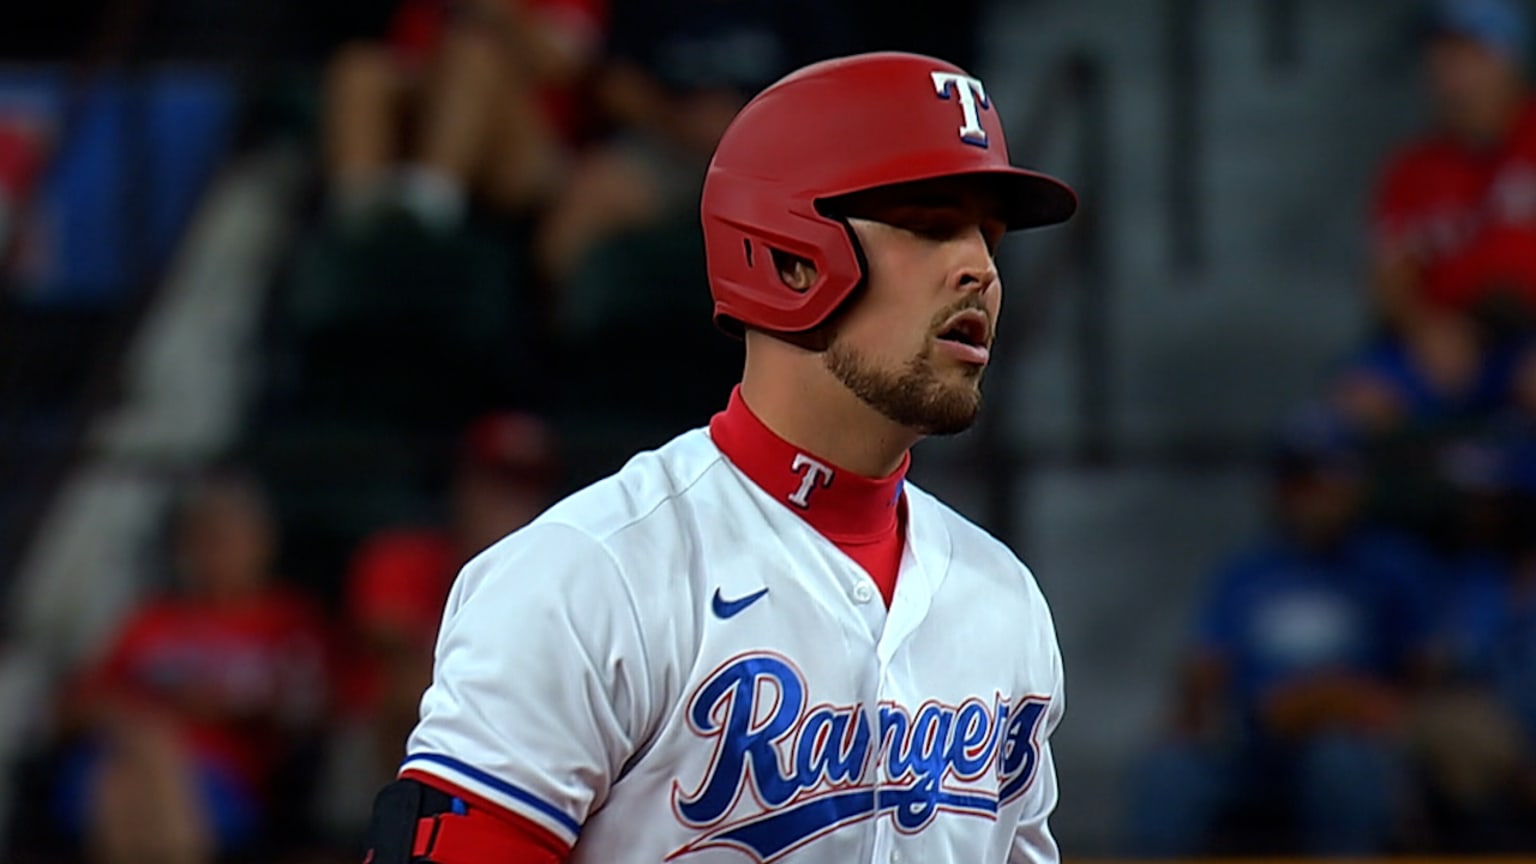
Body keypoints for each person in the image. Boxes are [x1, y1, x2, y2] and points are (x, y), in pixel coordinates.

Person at [361, 51, 1078, 863]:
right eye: (929, 224)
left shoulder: (1005, 603)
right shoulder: (591, 575)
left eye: (989, 237)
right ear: (790, 255)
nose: (980, 270)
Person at [1129, 407, 1438, 857]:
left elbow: (1425, 678)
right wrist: (1195, 715)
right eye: (1301, 479)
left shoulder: (1392, 568)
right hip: (1257, 743)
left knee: (1339, 763)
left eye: (1329, 477)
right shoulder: (1247, 571)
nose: (1315, 494)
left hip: (1355, 739)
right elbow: (1205, 669)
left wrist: (1342, 703)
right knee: (1168, 770)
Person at [51, 469, 331, 864]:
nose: (212, 552)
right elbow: (72, 707)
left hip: (228, 782)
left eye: (225, 539)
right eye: (201, 539)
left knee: (132, 774)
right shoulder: (152, 619)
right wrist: (132, 720)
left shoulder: (289, 619)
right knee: (134, 758)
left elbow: (309, 712)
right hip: (123, 759)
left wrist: (226, 706)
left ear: (262, 544)